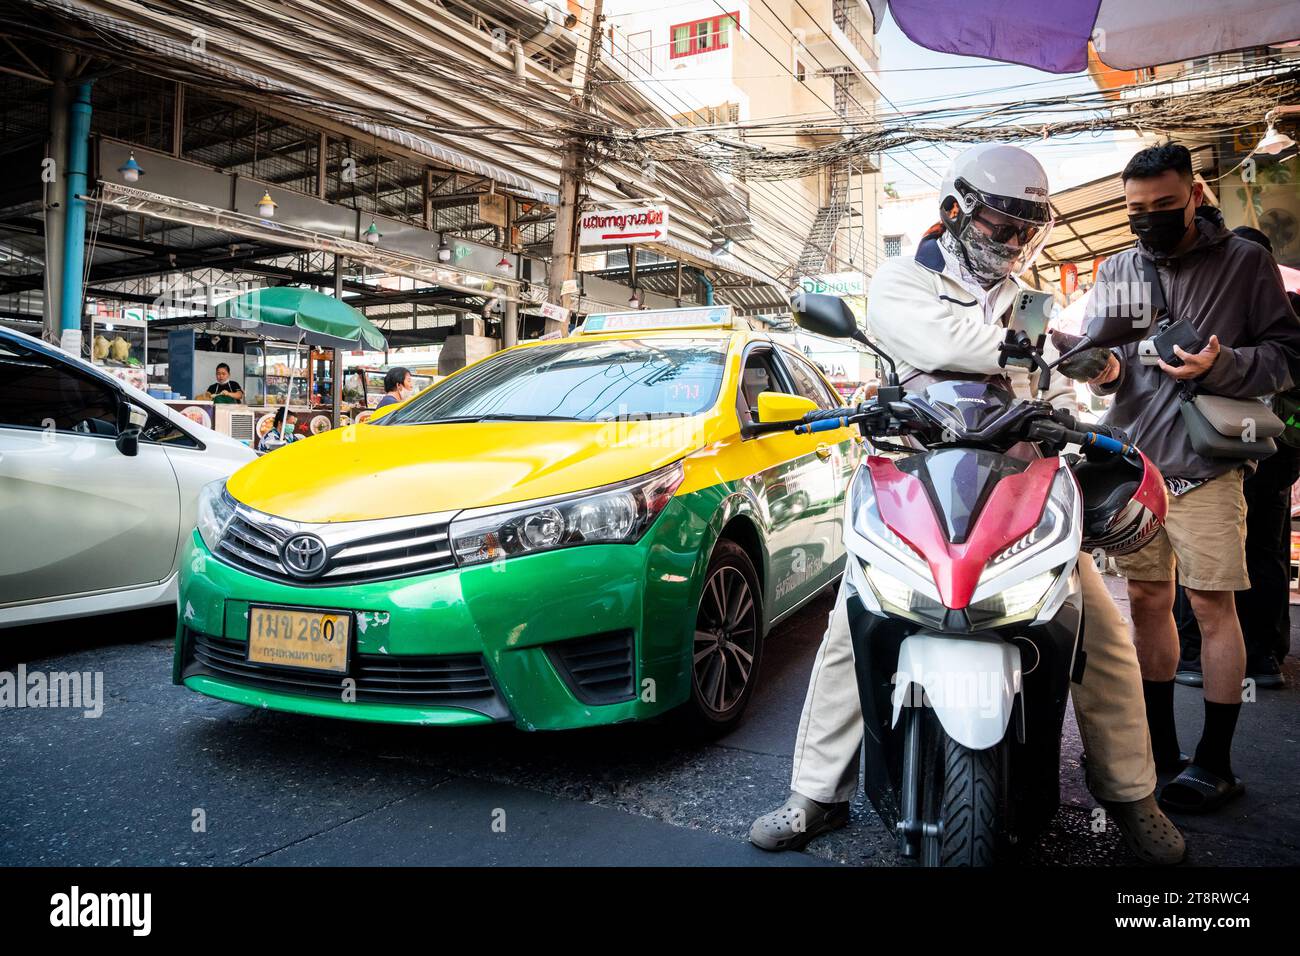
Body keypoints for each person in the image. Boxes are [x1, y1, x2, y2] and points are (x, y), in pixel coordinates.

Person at [749, 143, 1185, 864]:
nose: (1010, 243)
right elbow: (930, 338)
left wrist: (1075, 381)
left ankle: (1134, 796)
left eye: (1023, 231)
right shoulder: (901, 279)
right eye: (996, 225)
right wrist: (1045, 353)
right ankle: (814, 796)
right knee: (853, 620)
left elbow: (1054, 391)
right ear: (954, 211)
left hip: (1015, 483)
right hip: (912, 475)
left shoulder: (1031, 301)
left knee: (1100, 631)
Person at [1080, 143, 1300, 813]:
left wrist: (1221, 363)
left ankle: (1215, 762)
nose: (1148, 219)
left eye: (1163, 206)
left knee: (1211, 607)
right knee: (1147, 600)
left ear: (1196, 195)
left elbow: (1288, 353)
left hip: (1207, 463)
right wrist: (1104, 370)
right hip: (1134, 466)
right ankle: (1161, 750)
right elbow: (1103, 352)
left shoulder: (1244, 262)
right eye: (1135, 210)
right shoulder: (1117, 266)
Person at [1175, 226, 1300, 691]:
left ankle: (1206, 655)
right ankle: (1263, 656)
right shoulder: (1281, 310)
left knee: (1208, 558)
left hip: (1231, 445)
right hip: (1272, 446)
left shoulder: (1221, 313)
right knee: (1259, 548)